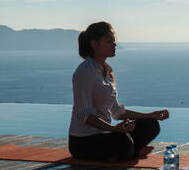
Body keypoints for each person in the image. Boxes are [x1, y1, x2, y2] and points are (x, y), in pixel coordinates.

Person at [68, 21, 170, 162]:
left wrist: (150, 115)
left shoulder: (107, 71)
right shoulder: (84, 72)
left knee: (151, 124)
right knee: (123, 141)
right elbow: (86, 116)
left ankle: (129, 150)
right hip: (84, 141)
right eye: (109, 41)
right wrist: (115, 129)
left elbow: (117, 111)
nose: (114, 45)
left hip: (107, 134)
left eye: (114, 41)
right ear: (94, 44)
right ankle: (131, 149)